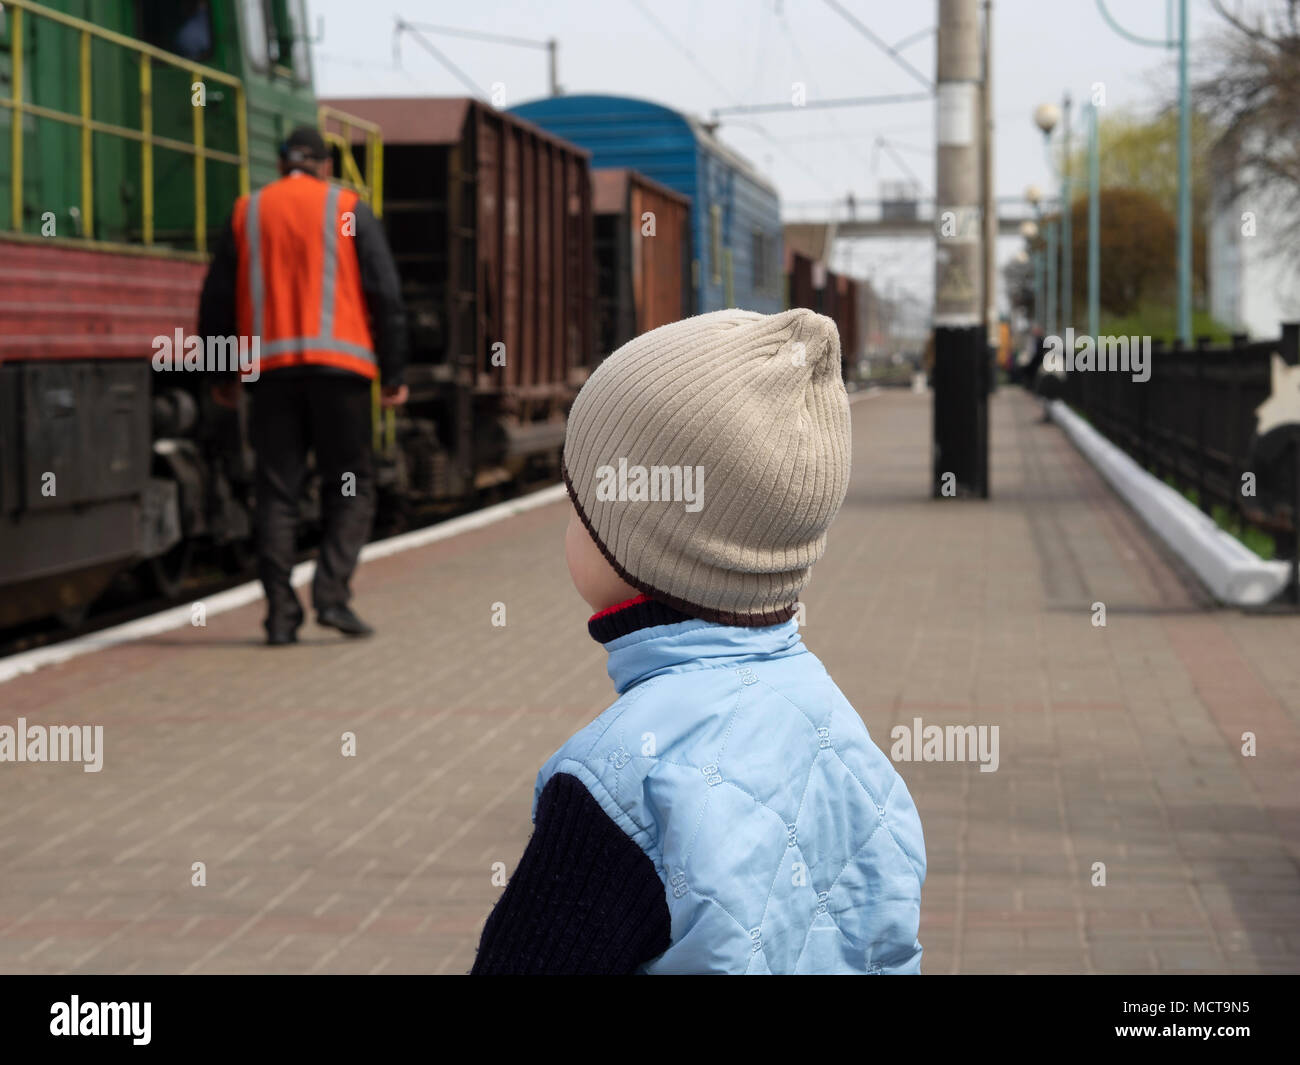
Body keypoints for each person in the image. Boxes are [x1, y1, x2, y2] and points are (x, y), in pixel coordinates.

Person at [470, 308, 926, 974]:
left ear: (648, 542)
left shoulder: (619, 782)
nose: (567, 523)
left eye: (579, 502)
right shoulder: (849, 742)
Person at [198, 127, 408, 645]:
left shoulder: (246, 212)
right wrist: (395, 373)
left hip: (269, 376)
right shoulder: (348, 207)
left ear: (280, 162)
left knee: (277, 492)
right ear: (326, 165)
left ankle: (280, 617)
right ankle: (332, 597)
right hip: (343, 372)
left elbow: (215, 302)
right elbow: (386, 293)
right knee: (351, 486)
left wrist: (220, 374)